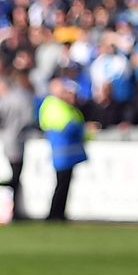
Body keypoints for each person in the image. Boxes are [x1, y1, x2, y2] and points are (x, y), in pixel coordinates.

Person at [0, 70, 35, 220]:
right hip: (20, 140)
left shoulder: (3, 100)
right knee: (16, 175)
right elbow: (30, 119)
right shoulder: (25, 97)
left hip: (7, 140)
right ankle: (14, 210)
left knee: (12, 175)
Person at [39, 78, 87, 222]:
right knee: (61, 183)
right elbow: (68, 125)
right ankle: (54, 214)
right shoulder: (53, 105)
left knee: (64, 183)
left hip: (67, 152)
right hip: (62, 152)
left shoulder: (64, 106)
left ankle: (59, 213)